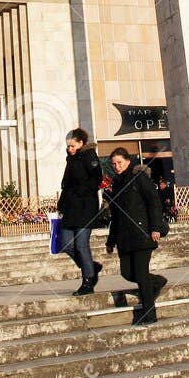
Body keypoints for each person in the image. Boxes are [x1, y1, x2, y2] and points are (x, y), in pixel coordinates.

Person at [104, 148, 167, 325]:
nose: (116, 166)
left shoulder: (139, 178)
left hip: (142, 234)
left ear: (128, 161)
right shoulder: (116, 184)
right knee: (127, 272)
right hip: (124, 238)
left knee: (140, 274)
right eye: (114, 164)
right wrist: (111, 241)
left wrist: (155, 227)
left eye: (119, 163)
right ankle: (157, 281)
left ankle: (149, 314)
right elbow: (115, 216)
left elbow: (153, 202)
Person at [57, 129, 104, 295]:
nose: (69, 148)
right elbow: (66, 185)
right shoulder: (70, 159)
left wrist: (81, 192)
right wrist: (61, 205)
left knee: (81, 244)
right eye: (68, 146)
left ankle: (88, 281)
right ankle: (91, 266)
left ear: (80, 143)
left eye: (72, 145)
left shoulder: (89, 156)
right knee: (66, 244)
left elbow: (97, 179)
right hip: (70, 208)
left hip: (85, 208)